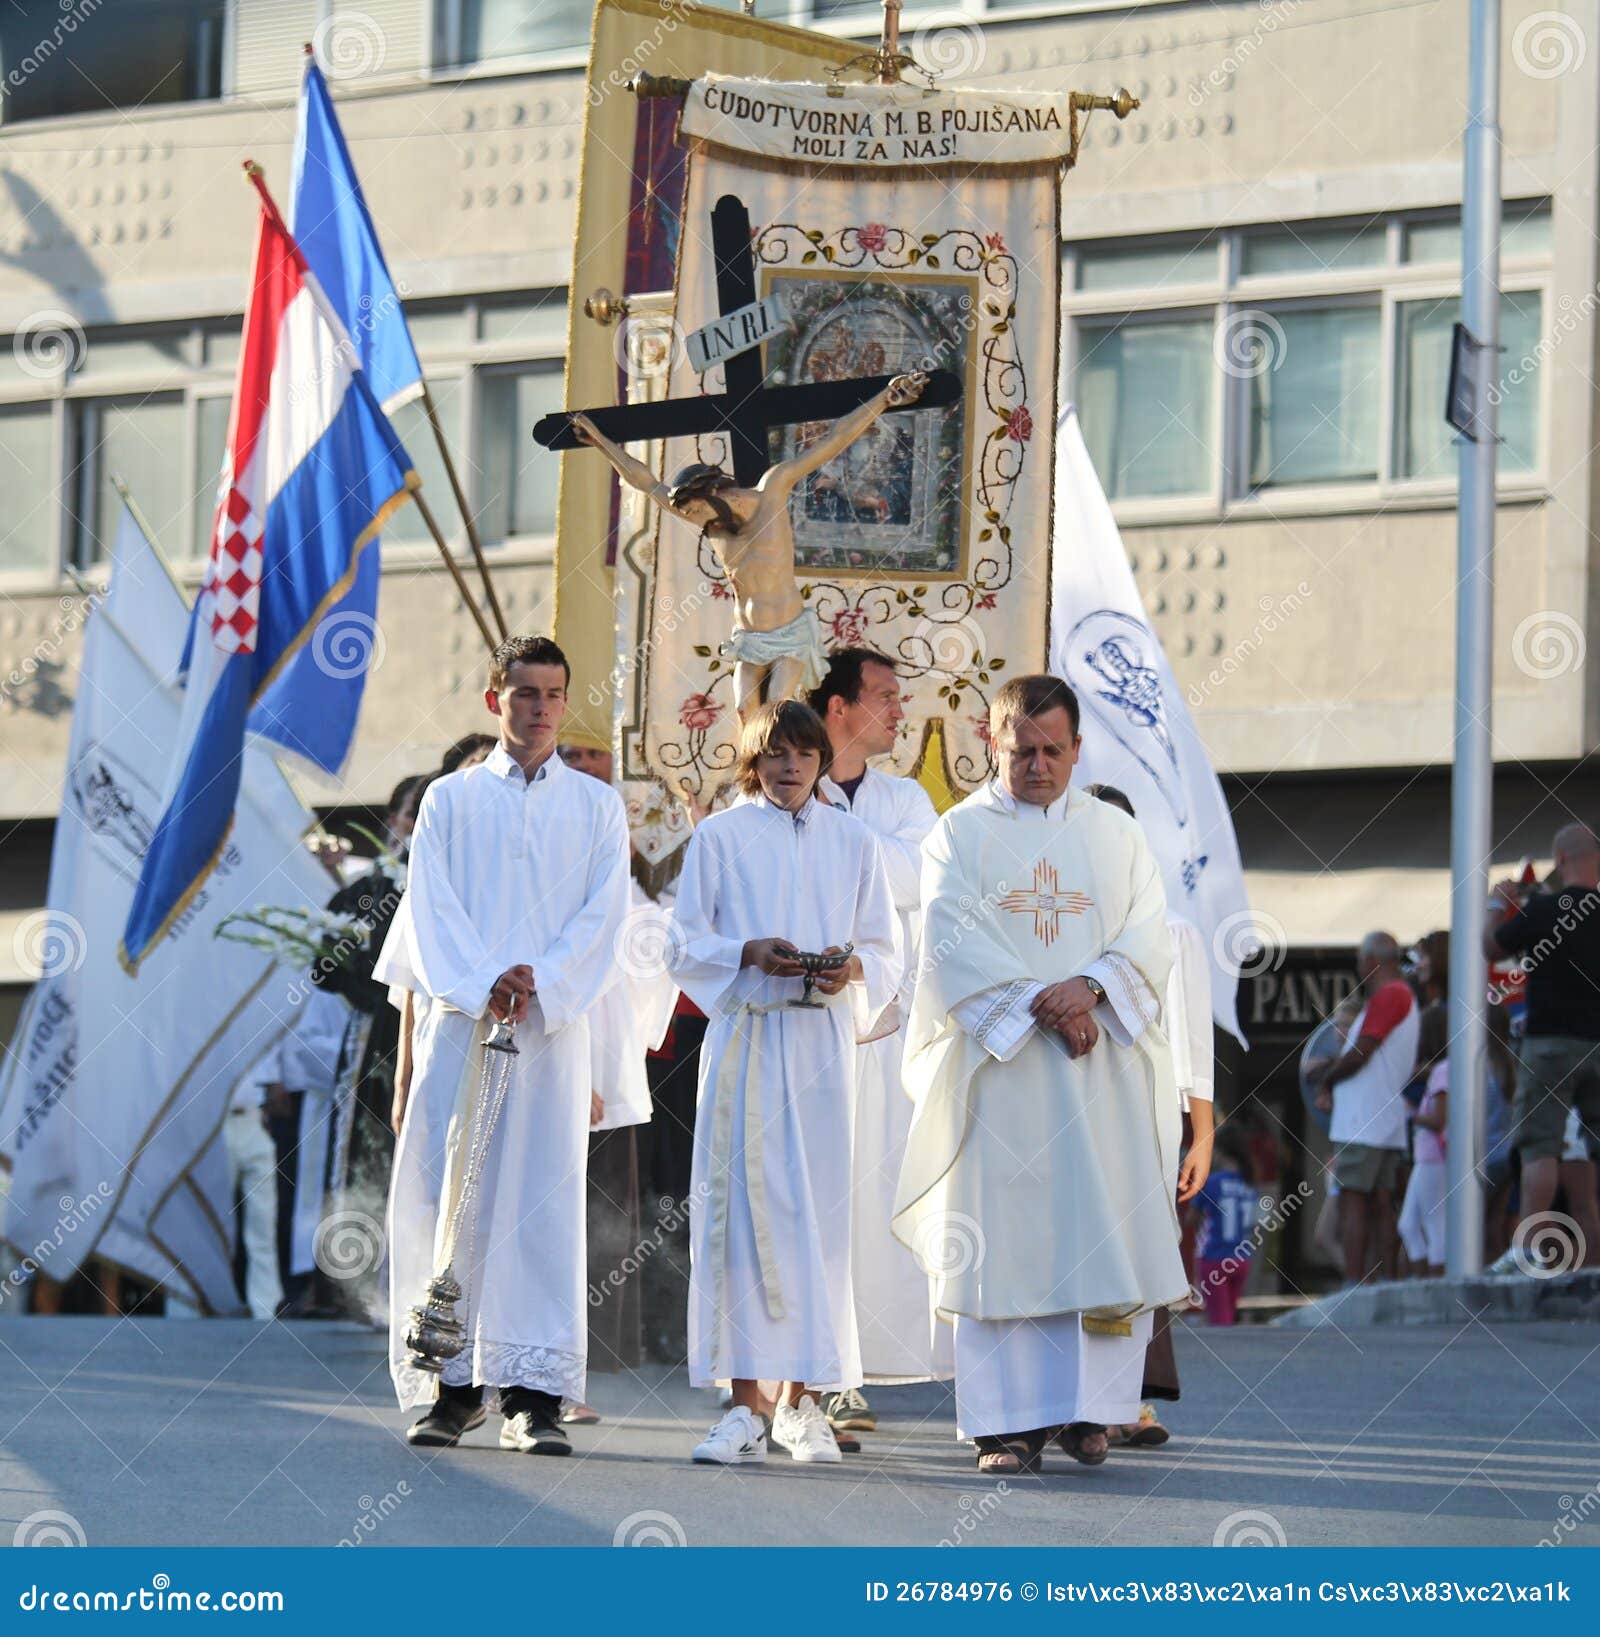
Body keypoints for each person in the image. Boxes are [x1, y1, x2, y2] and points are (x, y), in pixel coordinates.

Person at [894, 674, 1188, 1475]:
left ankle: (1092, 1414)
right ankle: (1007, 1424)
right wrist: (1046, 1002)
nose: (1037, 764)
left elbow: (1149, 933)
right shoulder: (957, 834)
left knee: (1095, 1231)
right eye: (1021, 748)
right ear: (993, 743)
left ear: (1077, 748)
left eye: (1054, 749)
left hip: (1099, 1072)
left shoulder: (1116, 834)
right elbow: (951, 937)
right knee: (1004, 1241)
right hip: (1008, 1065)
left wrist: (1090, 987)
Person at [375, 635, 631, 1455]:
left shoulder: (597, 807)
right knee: (456, 1194)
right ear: (496, 699)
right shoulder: (449, 801)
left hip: (549, 1042)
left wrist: (541, 983)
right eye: (525, 693)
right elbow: (431, 907)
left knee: (539, 1206)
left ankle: (534, 1395)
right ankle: (450, 1387)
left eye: (554, 693)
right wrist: (486, 976)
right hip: (464, 1026)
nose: (541, 708)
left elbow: (605, 916)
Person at [666, 700, 900, 1465]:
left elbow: (885, 947)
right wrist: (747, 951)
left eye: (804, 751)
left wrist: (848, 969)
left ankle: (802, 1402)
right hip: (748, 1042)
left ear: (822, 758)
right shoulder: (720, 836)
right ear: (753, 760)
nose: (790, 765)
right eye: (776, 753)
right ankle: (742, 1405)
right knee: (737, 1219)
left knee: (819, 1225)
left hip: (823, 1045)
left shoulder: (854, 838)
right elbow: (683, 944)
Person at [571, 373, 928, 723]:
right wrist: (602, 442)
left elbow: (832, 441)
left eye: (694, 509)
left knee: (776, 710)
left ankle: (787, 773)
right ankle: (751, 781)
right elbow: (646, 482)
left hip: (788, 633)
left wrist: (885, 399)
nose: (691, 518)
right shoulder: (709, 520)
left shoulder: (771, 492)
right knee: (745, 712)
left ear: (713, 494)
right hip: (749, 638)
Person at [805, 648, 946, 1438]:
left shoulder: (904, 801)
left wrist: (834, 832)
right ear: (839, 708)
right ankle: (809, 1369)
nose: (899, 711)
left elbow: (915, 880)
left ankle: (851, 1368)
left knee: (866, 1194)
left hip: (879, 1026)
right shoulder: (787, 787)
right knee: (812, 1195)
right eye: (885, 697)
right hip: (803, 1022)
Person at [1086, 781, 1215, 1446]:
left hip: (1149, 1120)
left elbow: (1193, 1040)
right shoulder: (1054, 925)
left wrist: (1204, 1131)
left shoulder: (1172, 929)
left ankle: (1130, 1401)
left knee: (1139, 1257)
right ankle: (1068, 1402)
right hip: (1069, 1119)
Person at [556, 740, 679, 1422]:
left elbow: (643, 982)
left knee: (593, 1233)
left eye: (593, 753)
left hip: (600, 1081)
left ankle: (569, 1377)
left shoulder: (629, 896)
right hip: (543, 1068)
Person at [1484, 821, 1600, 1269]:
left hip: (1550, 1043)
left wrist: (1500, 902)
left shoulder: (1546, 909)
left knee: (1540, 1145)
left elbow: (1491, 947)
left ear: (1562, 858)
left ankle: (1527, 1250)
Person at [1312, 932, 1418, 1285]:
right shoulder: (1400, 996)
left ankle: (1355, 1282)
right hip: (1382, 1117)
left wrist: (1328, 1080)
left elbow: (1362, 1051)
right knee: (1380, 1201)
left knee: (1354, 1200)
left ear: (1372, 961)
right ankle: (1380, 1278)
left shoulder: (1390, 995)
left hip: (1363, 1120)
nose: (1358, 967)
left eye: (1360, 960)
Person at [1399, 1004, 1449, 1278]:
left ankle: (1435, 1285)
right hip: (1426, 1156)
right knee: (1408, 1225)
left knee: (1433, 1224)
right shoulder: (1441, 1070)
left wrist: (1410, 1115)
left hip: (1434, 1157)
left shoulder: (1443, 1070)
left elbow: (1440, 1120)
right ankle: (1421, 1282)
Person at [1190, 1129, 1259, 1325]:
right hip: (1242, 1259)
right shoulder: (1249, 1183)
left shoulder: (1211, 1182)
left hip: (1214, 1257)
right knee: (1228, 1315)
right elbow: (1255, 1225)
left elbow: (1190, 1219)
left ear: (1219, 1151)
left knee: (1220, 1323)